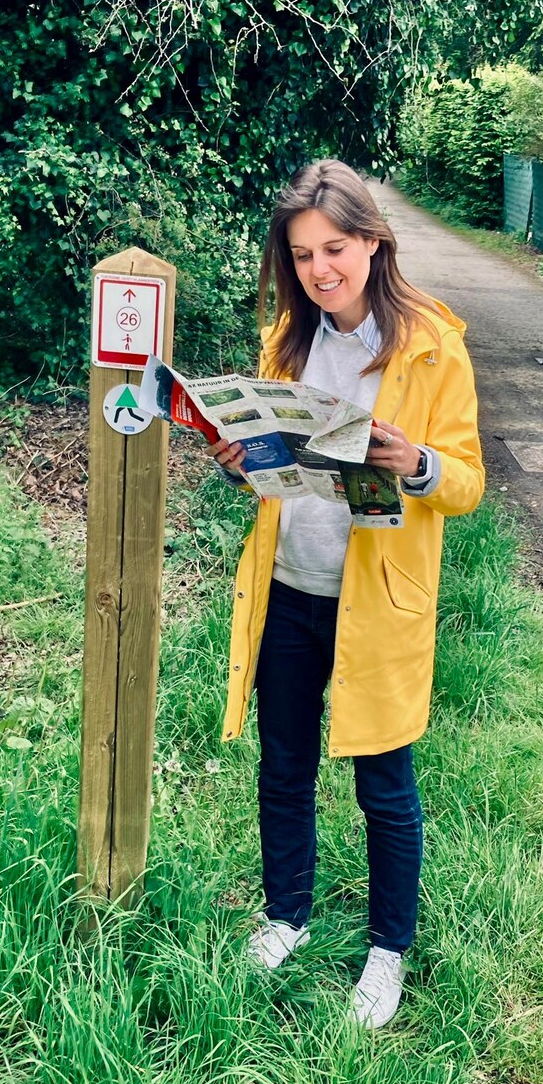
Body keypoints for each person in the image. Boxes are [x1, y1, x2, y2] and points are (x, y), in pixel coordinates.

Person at [207, 160, 484, 1028]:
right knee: (282, 765)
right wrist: (243, 462)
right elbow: (281, 472)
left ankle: (386, 950)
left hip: (379, 600)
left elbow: (466, 483)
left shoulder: (433, 344)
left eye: (334, 248)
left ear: (372, 241)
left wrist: (418, 464)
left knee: (384, 781)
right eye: (301, 255)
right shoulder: (289, 340)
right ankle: (286, 915)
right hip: (291, 586)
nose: (320, 269)